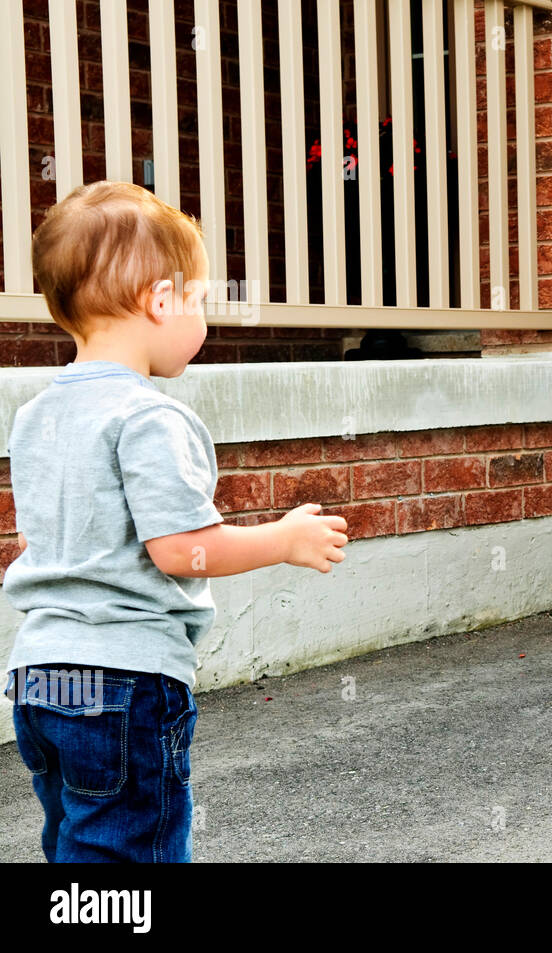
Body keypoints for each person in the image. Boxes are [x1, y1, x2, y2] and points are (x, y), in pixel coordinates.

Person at [4, 181, 350, 862]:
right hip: (122, 681)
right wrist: (283, 539)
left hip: (39, 677)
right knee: (133, 858)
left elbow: (32, 539)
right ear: (160, 301)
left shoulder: (36, 414)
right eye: (198, 300)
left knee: (81, 847)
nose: (203, 318)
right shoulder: (148, 415)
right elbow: (179, 549)